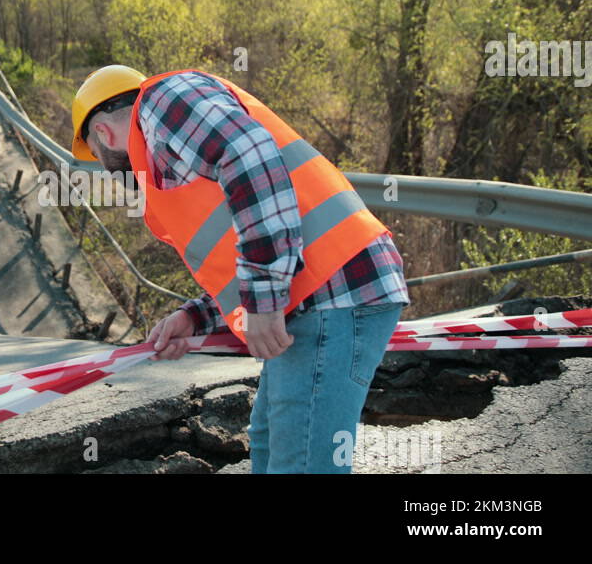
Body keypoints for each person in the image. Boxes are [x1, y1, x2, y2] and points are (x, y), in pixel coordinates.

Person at [71, 65, 410, 473]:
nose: (107, 167)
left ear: (104, 134)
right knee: (269, 449)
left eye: (95, 153)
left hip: (333, 293)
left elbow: (248, 154)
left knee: (299, 465)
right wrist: (195, 318)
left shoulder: (163, 102)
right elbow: (240, 240)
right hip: (320, 295)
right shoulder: (169, 143)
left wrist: (263, 302)